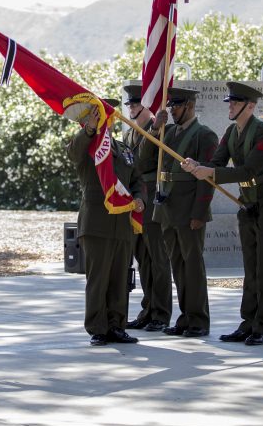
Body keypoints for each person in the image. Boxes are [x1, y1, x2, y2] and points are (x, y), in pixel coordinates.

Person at [182, 82, 263, 345]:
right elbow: (217, 162)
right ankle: (248, 322)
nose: (231, 107)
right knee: (250, 266)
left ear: (250, 106)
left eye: (236, 103)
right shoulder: (231, 132)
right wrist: (198, 167)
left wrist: (211, 173)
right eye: (230, 103)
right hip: (247, 202)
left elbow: (249, 170)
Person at [140, 87, 217, 338]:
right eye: (171, 106)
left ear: (190, 106)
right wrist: (154, 129)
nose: (172, 110)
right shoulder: (168, 132)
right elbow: (143, 161)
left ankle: (199, 319)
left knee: (193, 266)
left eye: (177, 106)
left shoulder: (204, 136)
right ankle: (185, 316)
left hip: (189, 211)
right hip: (168, 209)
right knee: (177, 265)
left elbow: (207, 179)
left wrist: (199, 212)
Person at [70, 99, 146, 347]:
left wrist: (139, 198)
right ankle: (97, 327)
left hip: (122, 223)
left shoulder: (123, 149)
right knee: (98, 278)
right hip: (97, 222)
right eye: (100, 115)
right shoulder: (87, 145)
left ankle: (116, 325)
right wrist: (89, 129)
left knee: (119, 278)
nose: (107, 120)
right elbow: (73, 153)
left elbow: (137, 179)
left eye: (108, 116)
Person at [121, 84, 172, 333]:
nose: (130, 108)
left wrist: (154, 127)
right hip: (136, 199)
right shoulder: (131, 131)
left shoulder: (158, 127)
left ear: (146, 104)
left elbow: (141, 161)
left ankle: (161, 313)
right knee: (144, 259)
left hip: (152, 196)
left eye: (134, 104)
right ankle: (148, 309)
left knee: (158, 258)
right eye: (129, 104)